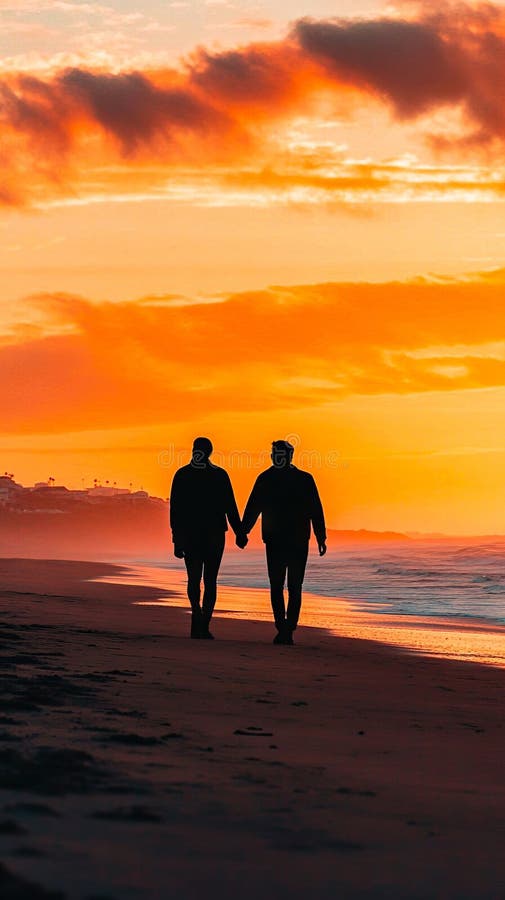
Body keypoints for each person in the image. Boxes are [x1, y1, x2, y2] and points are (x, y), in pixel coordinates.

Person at [241, 440, 326, 645]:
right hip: (285, 540)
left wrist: (321, 537)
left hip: (285, 540)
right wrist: (243, 531)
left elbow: (316, 509)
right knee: (286, 585)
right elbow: (253, 507)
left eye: (278, 454)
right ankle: (285, 627)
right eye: (274, 454)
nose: (275, 457)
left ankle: (285, 627)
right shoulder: (278, 478)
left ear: (289, 456)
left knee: (285, 585)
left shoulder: (275, 479)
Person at [170, 437, 246, 639]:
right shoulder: (219, 475)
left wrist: (177, 540)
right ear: (210, 452)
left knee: (194, 578)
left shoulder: (182, 475)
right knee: (210, 580)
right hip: (213, 535)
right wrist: (239, 532)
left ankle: (198, 616)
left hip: (191, 535)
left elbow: (175, 511)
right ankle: (203, 623)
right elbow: (231, 507)